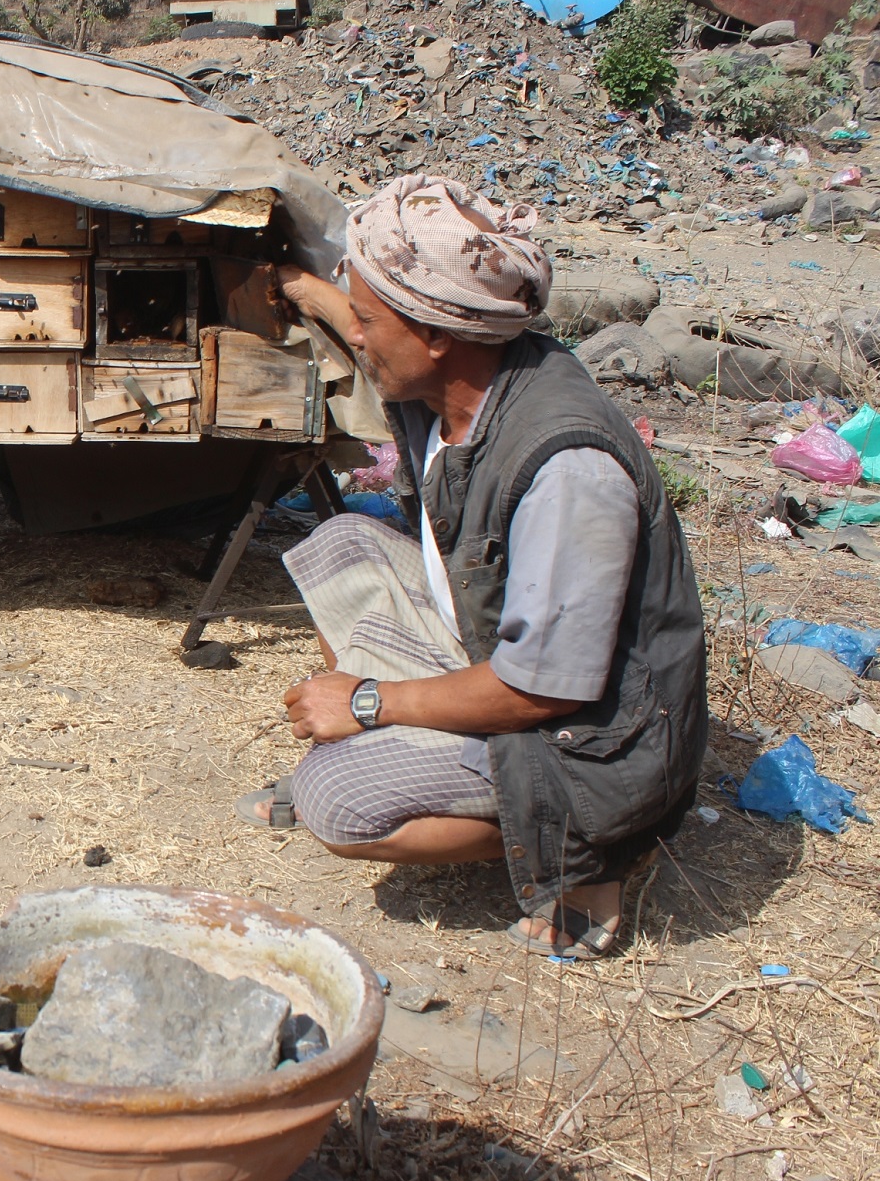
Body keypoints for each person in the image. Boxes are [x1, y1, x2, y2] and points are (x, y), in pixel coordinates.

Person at [237, 174, 707, 960]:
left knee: (334, 803)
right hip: (502, 654)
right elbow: (359, 316)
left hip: (587, 732)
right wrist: (298, 287)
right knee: (341, 547)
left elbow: (539, 689)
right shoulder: (460, 377)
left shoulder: (568, 469)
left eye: (366, 319)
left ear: (434, 334)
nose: (355, 334)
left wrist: (368, 700)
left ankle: (580, 855)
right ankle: (409, 755)